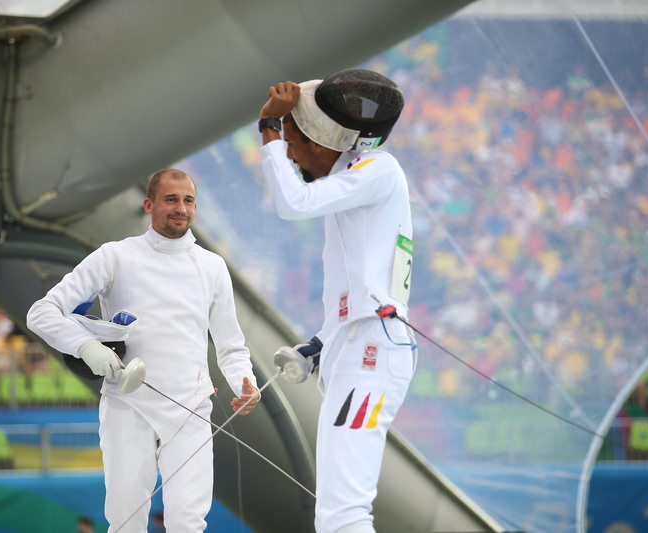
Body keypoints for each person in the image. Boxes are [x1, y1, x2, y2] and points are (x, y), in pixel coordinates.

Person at [27, 169, 260, 533]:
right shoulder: (115, 257)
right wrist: (86, 346)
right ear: (149, 205)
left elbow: (231, 347)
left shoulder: (212, 267)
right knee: (125, 522)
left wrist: (244, 382)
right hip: (127, 404)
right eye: (171, 199)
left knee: (188, 522)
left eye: (187, 200)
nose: (180, 208)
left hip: (190, 407)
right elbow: (41, 312)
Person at [258, 69, 417, 533]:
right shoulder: (352, 184)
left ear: (327, 141)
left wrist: (269, 125)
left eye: (294, 140)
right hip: (357, 347)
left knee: (343, 514)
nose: (288, 151)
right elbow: (358, 289)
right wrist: (320, 344)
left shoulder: (376, 169)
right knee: (333, 514)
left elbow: (293, 204)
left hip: (373, 349)